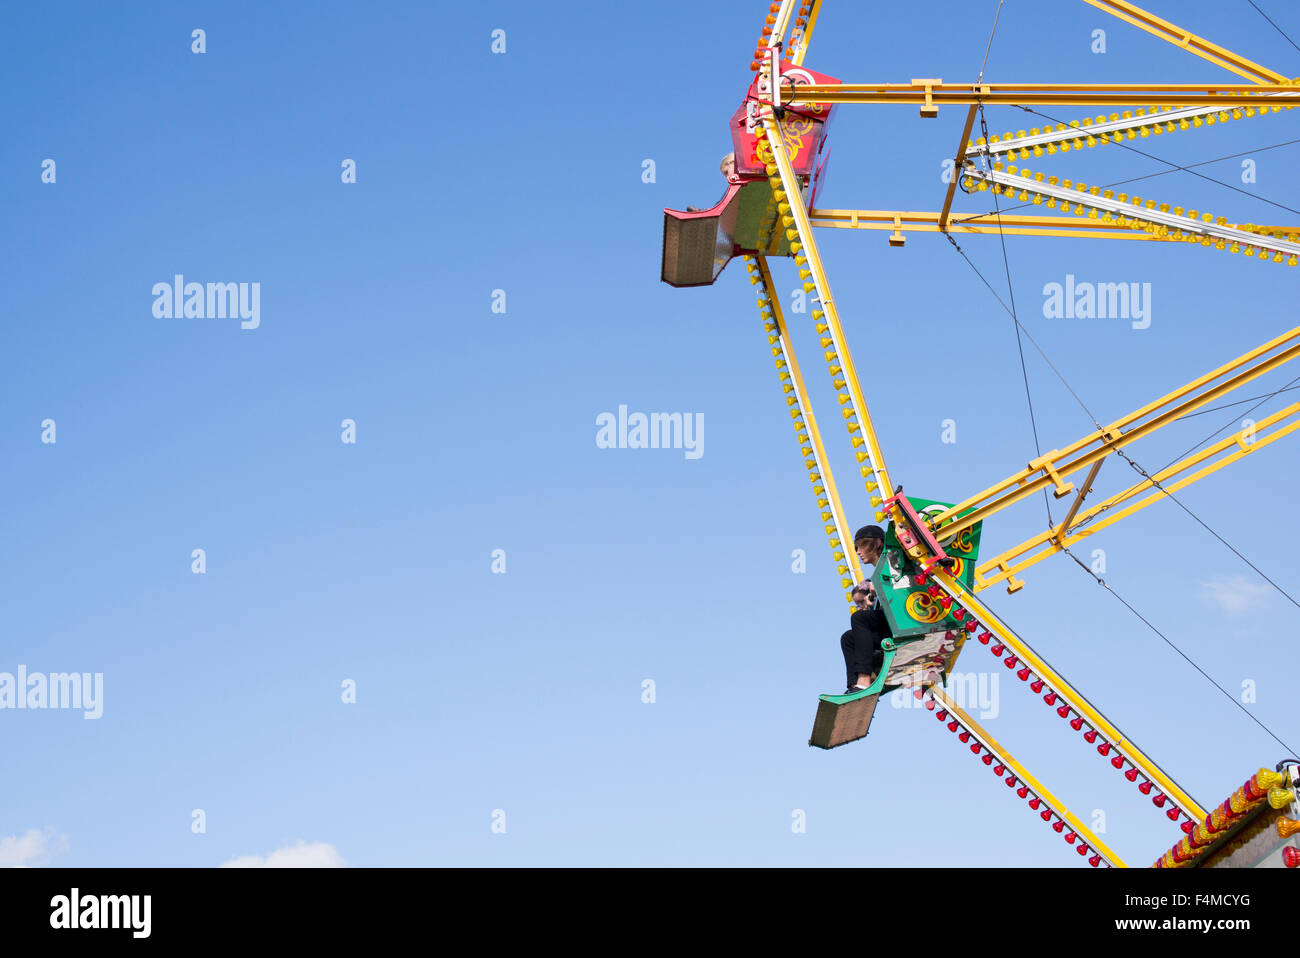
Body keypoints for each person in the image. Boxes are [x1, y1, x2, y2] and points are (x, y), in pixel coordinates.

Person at [838, 525, 893, 694]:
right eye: (856, 548)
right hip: (889, 623)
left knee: (859, 618)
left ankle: (864, 679)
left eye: (861, 546)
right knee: (848, 638)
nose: (858, 552)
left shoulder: (891, 562)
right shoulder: (877, 572)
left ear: (876, 543)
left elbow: (896, 584)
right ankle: (854, 684)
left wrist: (875, 587)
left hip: (899, 622)